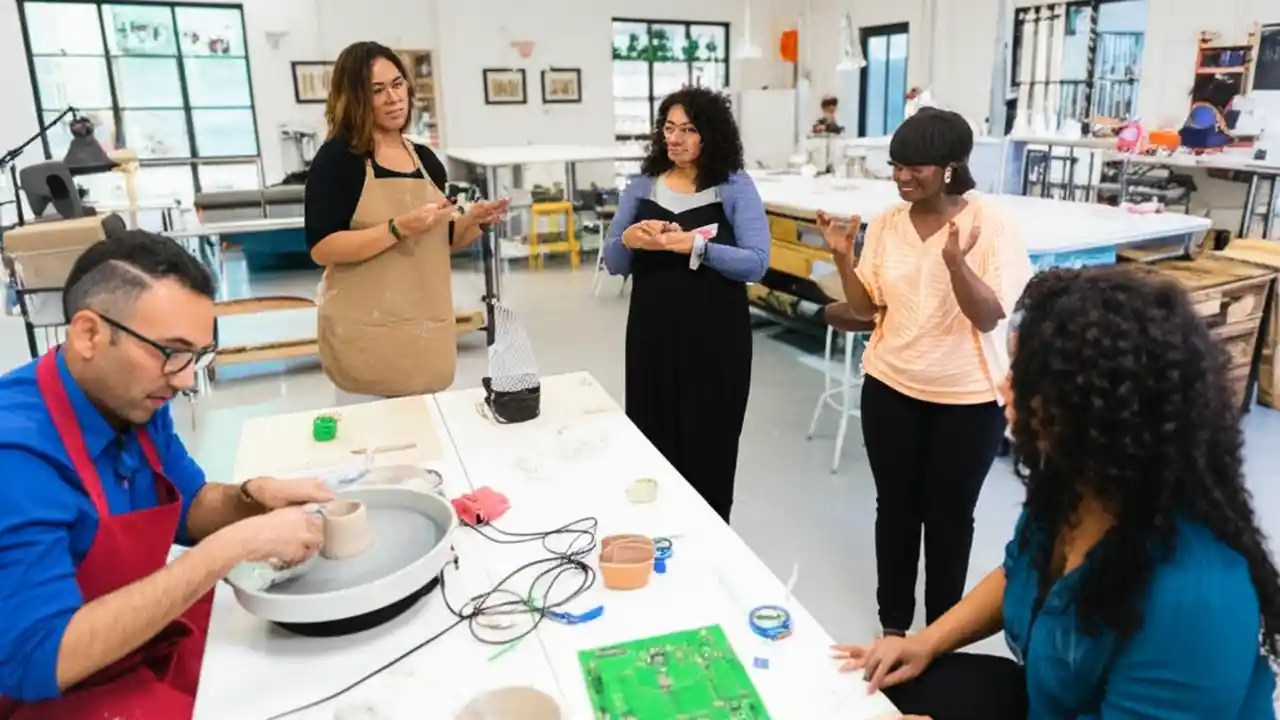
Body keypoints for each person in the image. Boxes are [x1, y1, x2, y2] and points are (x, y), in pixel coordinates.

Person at [831, 266, 1280, 720]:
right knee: (879, 690)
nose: (1005, 387)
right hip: (1054, 700)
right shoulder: (1076, 484)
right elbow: (1019, 571)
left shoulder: (1195, 598)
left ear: (1089, 408)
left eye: (1024, 375)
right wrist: (924, 642)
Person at [0, 231, 332, 717]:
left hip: (137, 650)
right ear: (89, 334)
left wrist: (251, 496)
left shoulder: (135, 399)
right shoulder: (17, 454)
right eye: (170, 352)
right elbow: (41, 657)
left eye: (196, 355)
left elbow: (191, 506)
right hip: (63, 693)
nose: (184, 379)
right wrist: (235, 545)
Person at [817, 107, 1032, 636]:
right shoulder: (888, 222)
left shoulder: (989, 223)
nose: (901, 177)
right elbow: (866, 310)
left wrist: (957, 263)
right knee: (894, 510)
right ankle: (894, 625)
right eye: (896, 166)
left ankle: (940, 635)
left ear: (952, 166)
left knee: (949, 520)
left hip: (967, 400)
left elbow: (988, 315)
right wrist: (845, 258)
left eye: (916, 167)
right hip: (891, 386)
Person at [602, 86, 770, 523]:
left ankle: (712, 542)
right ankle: (656, 536)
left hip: (716, 343)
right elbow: (615, 262)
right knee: (651, 439)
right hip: (652, 338)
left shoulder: (733, 186)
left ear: (710, 134)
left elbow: (756, 263)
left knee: (708, 445)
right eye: (669, 128)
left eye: (688, 130)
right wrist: (628, 238)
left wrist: (694, 247)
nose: (674, 138)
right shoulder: (641, 187)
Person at [305, 41, 509, 399]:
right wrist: (397, 228)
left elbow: (441, 240)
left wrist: (473, 222)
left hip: (424, 333)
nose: (393, 98)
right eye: (377, 91)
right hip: (366, 334)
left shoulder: (427, 162)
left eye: (398, 85)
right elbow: (323, 248)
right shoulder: (339, 160)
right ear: (353, 97)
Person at [1179, 75, 1236, 150]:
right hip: (1198, 139)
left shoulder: (1197, 107)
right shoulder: (1208, 112)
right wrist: (1229, 139)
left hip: (1187, 138)